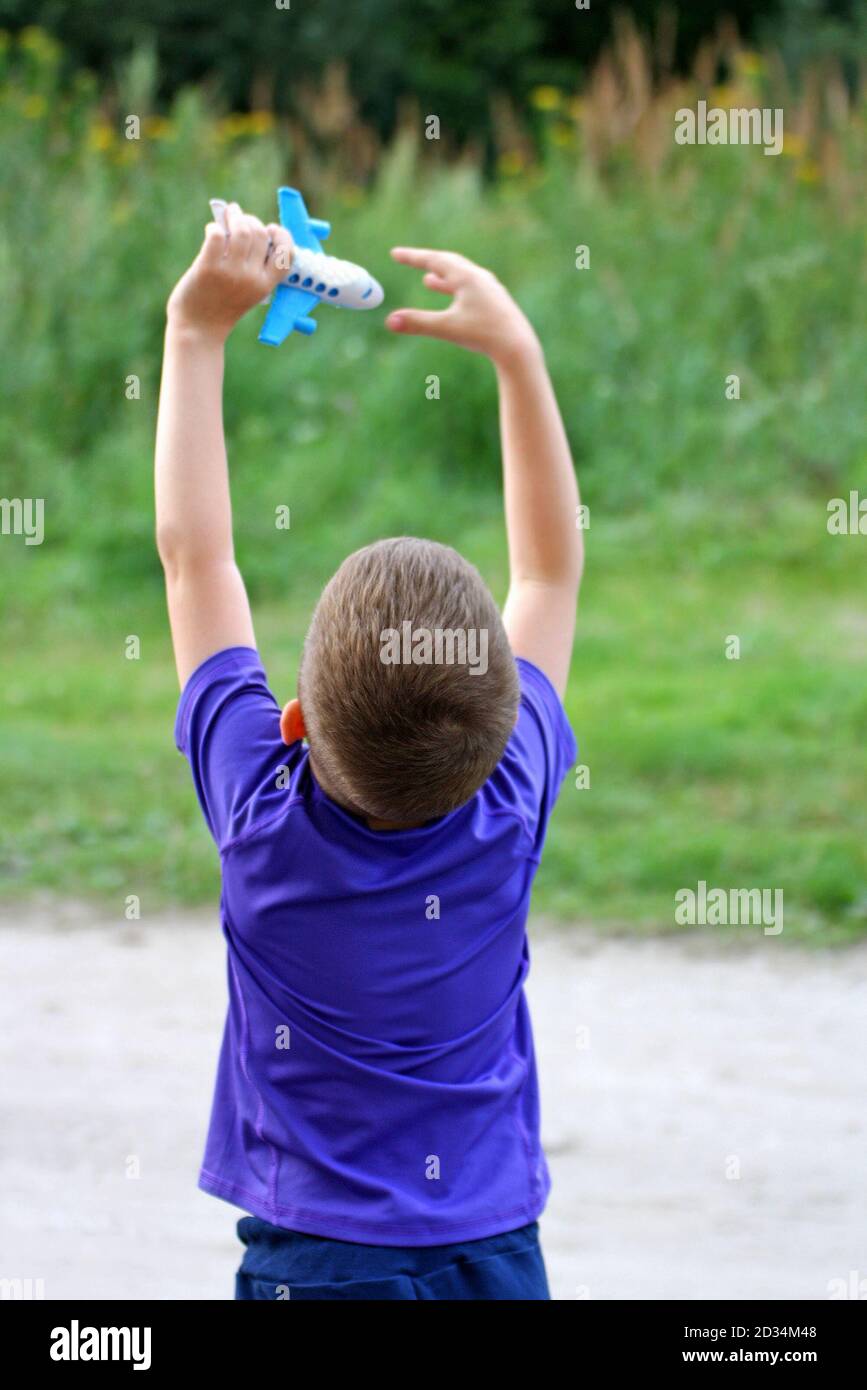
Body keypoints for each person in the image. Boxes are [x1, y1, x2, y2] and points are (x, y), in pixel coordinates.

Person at [155, 201, 584, 1299]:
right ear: (499, 739)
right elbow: (550, 571)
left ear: (293, 717)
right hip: (497, 1260)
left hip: (317, 1270)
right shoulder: (510, 795)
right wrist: (517, 357)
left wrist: (196, 331)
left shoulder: (259, 806)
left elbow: (195, 560)